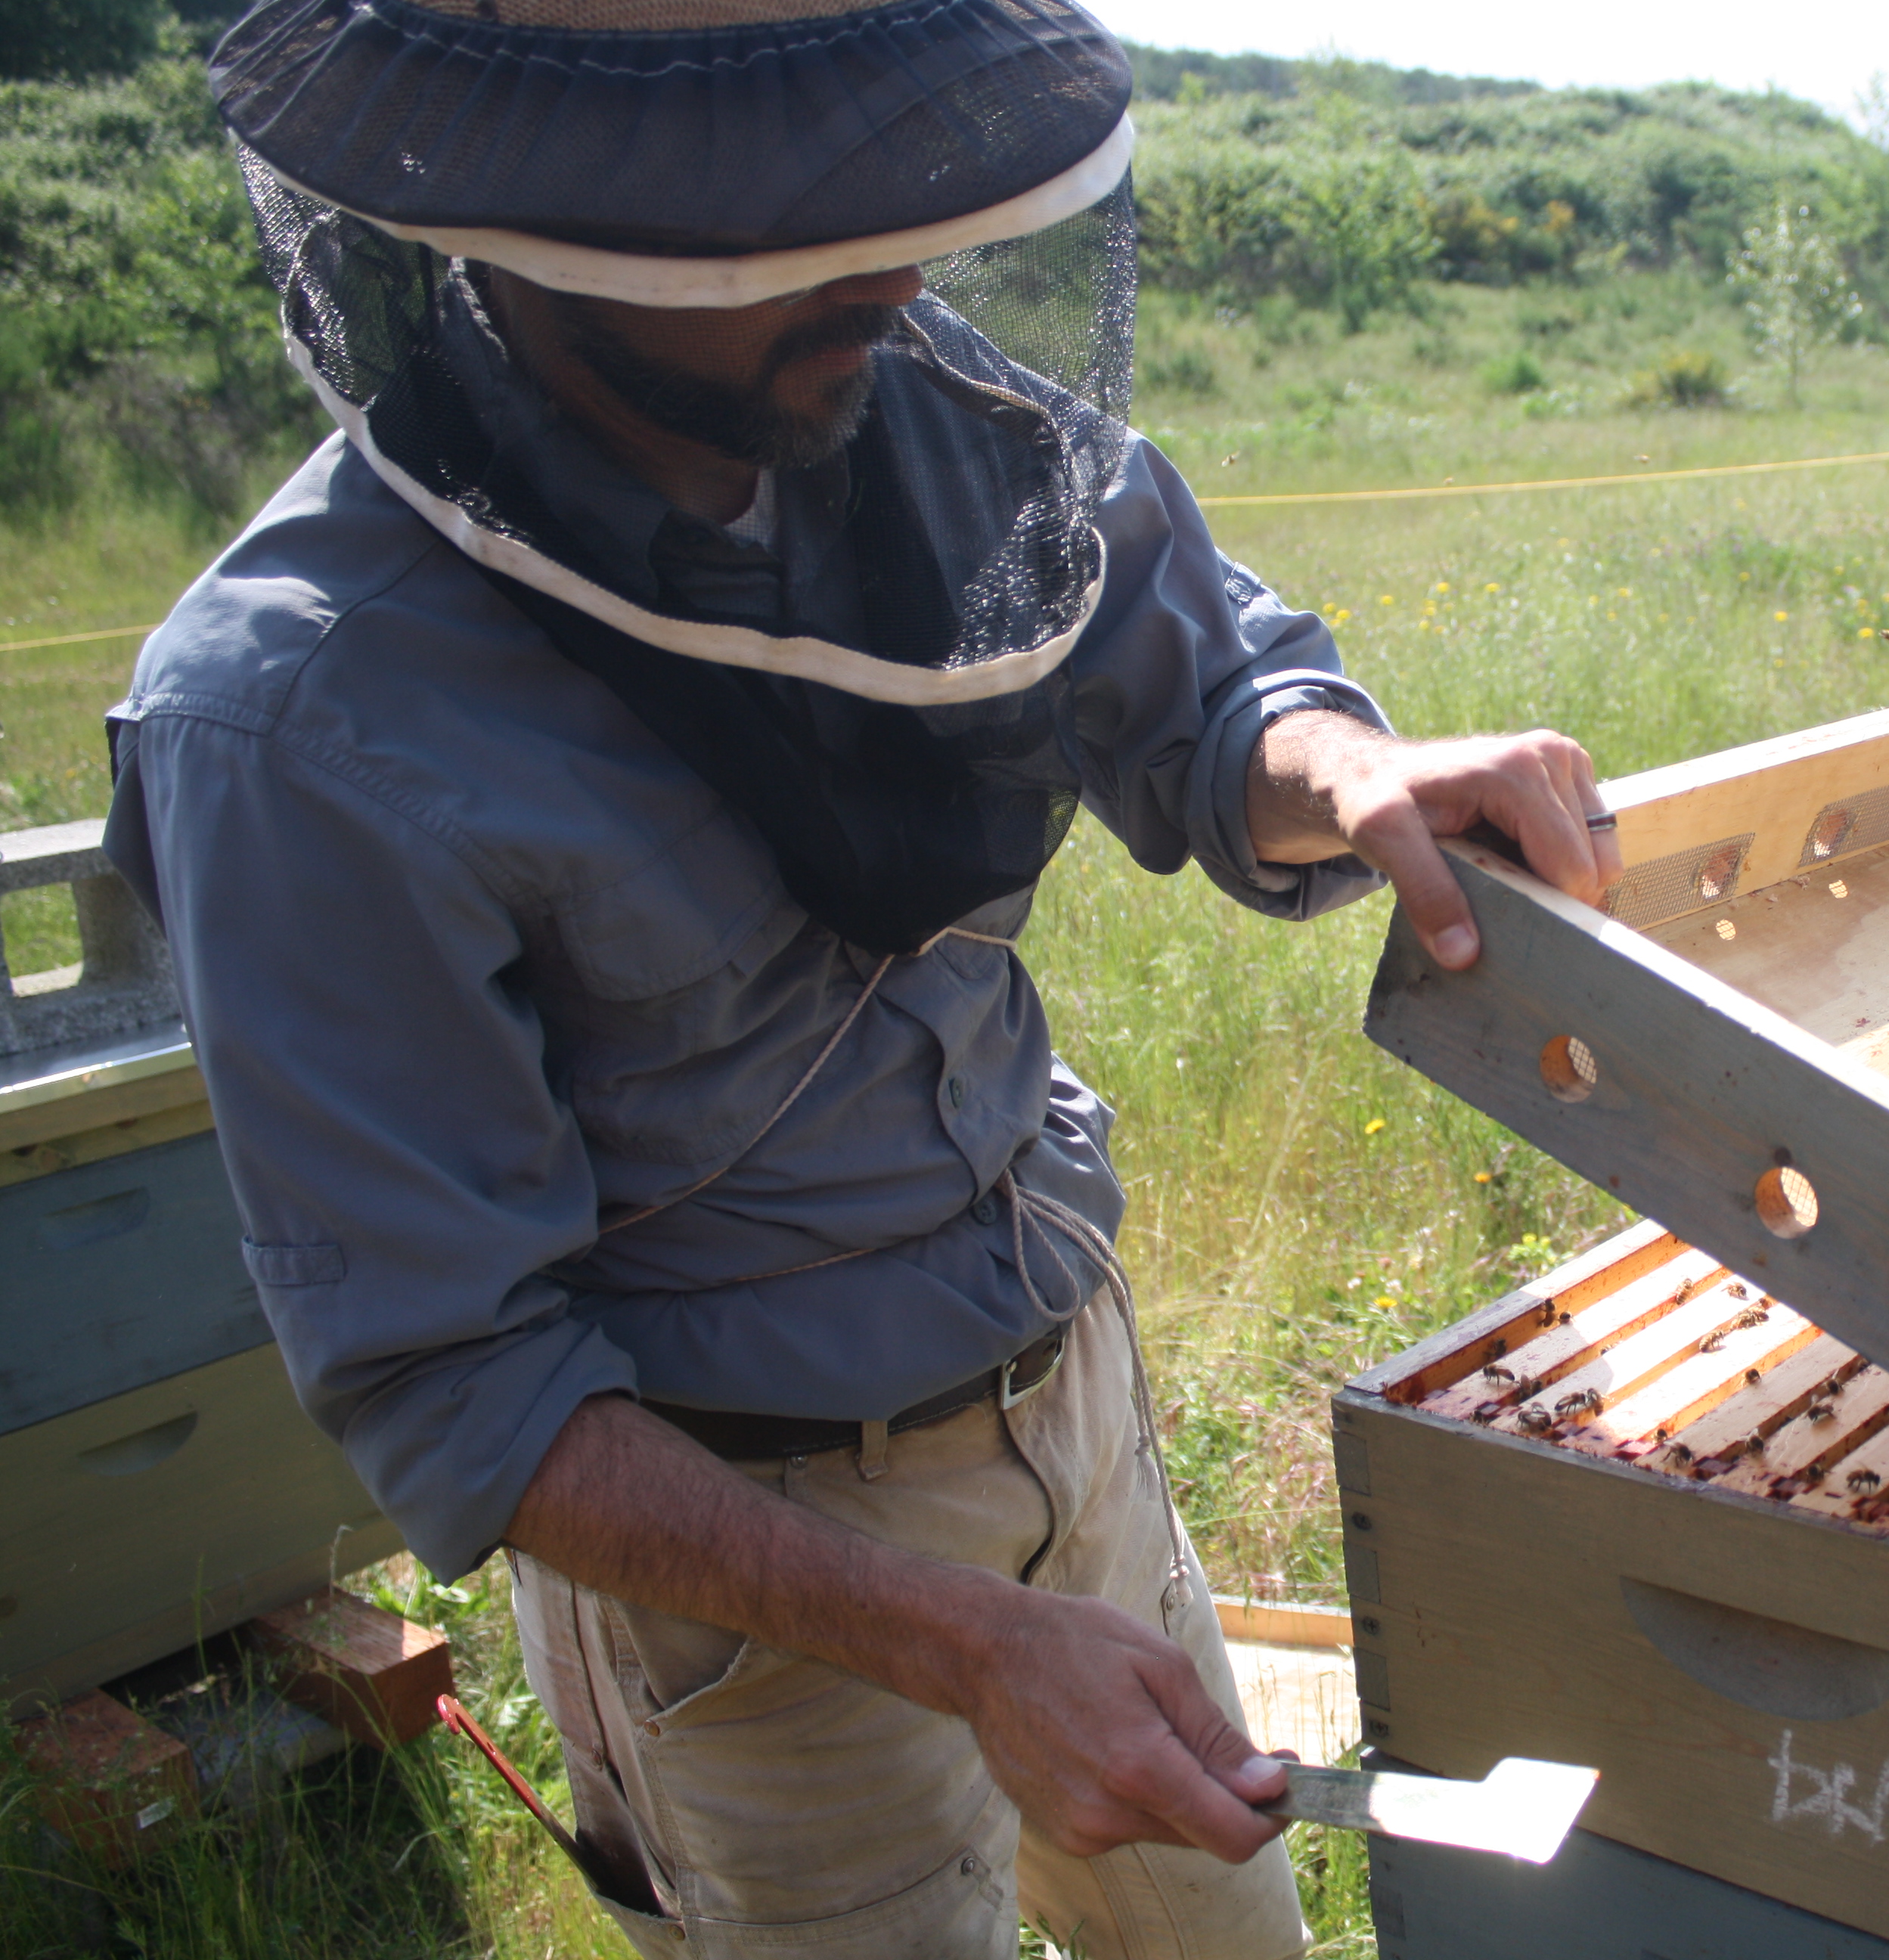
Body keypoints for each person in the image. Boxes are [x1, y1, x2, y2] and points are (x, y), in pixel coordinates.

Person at [101, 2, 1619, 1955]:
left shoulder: (909, 410)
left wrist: (1344, 763)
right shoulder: (294, 720)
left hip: (1075, 1418)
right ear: (541, 227)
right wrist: (965, 1643)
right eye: (793, 221)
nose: (895, 267)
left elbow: (1190, 666)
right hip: (754, 1601)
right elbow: (463, 1387)